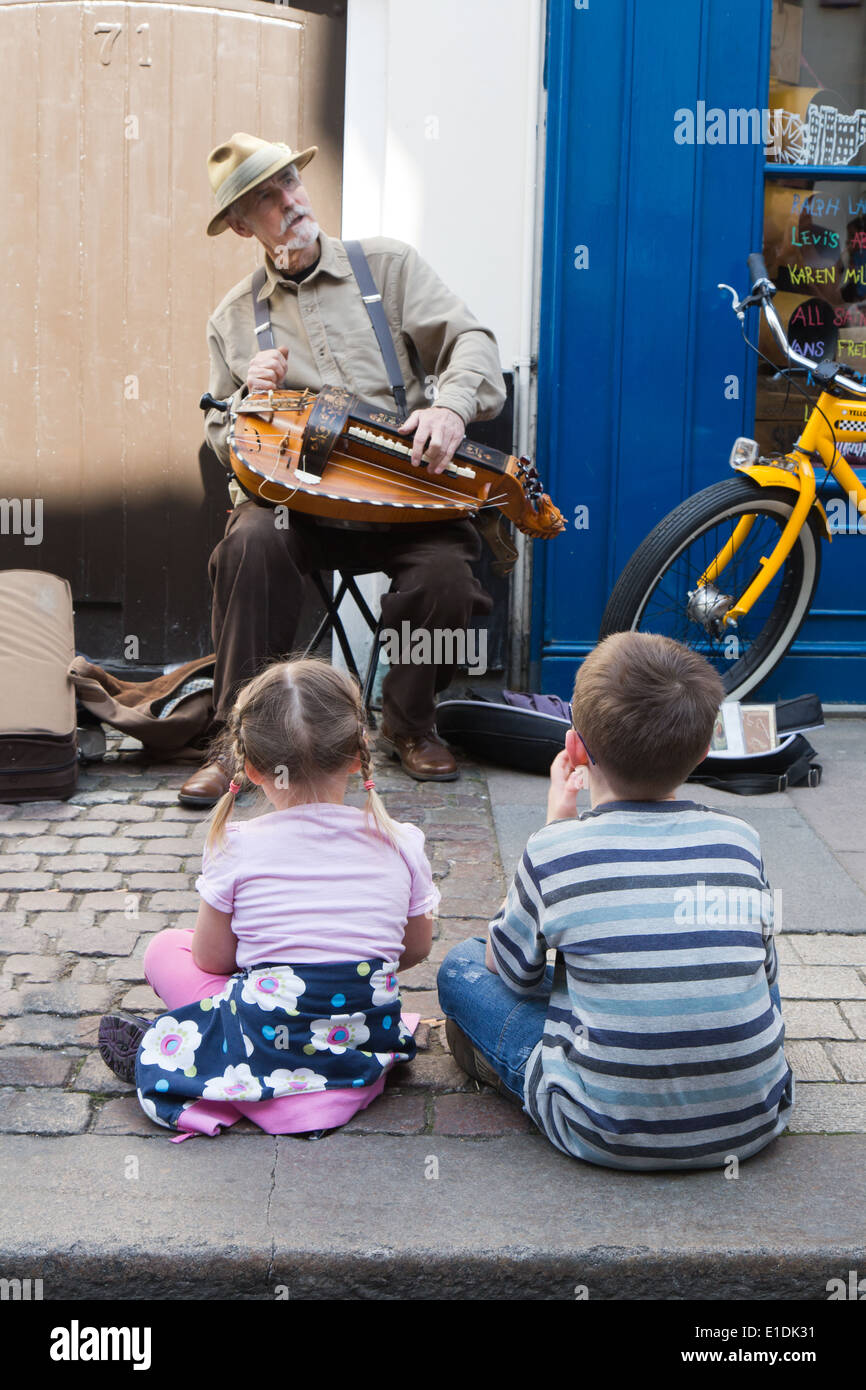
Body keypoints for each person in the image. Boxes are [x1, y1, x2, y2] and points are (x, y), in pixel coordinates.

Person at [180, 132, 507, 805]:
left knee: (447, 573)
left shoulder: (387, 267)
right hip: (299, 506)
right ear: (243, 225)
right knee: (248, 541)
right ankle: (238, 744)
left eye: (289, 185)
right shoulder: (233, 320)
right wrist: (250, 404)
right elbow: (221, 432)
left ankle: (408, 723)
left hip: (407, 497)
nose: (289, 203)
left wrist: (448, 408)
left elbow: (471, 341)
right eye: (265, 200)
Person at [438, 632, 794, 1171]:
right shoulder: (740, 839)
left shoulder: (554, 849)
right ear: (703, 751)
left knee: (461, 965)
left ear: (576, 747)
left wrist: (558, 829)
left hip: (598, 1129)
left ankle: (509, 1067)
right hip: (756, 1120)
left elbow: (511, 974)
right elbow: (764, 971)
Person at [98, 657, 438, 1138]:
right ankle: (329, 1082)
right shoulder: (402, 841)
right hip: (362, 1037)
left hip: (269, 1034)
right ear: (359, 755)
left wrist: (278, 962)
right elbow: (416, 948)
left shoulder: (235, 844)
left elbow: (211, 959)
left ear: (252, 768)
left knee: (164, 950)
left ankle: (222, 1072)